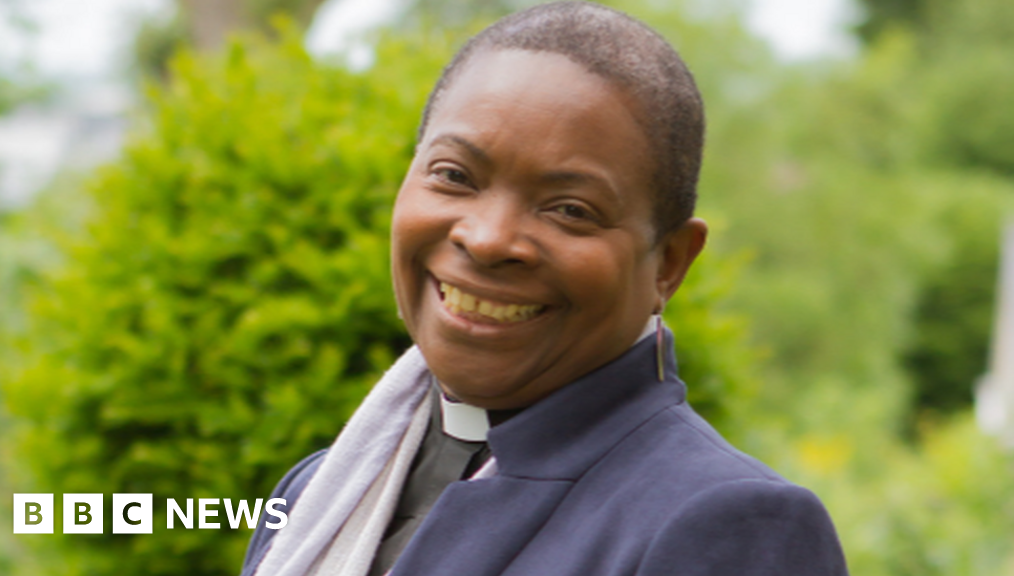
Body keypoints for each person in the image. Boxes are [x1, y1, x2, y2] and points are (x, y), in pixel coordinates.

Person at [241, 2, 849, 575]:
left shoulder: (730, 524)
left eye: (569, 210)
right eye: (454, 176)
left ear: (668, 263)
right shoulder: (317, 492)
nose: (487, 239)